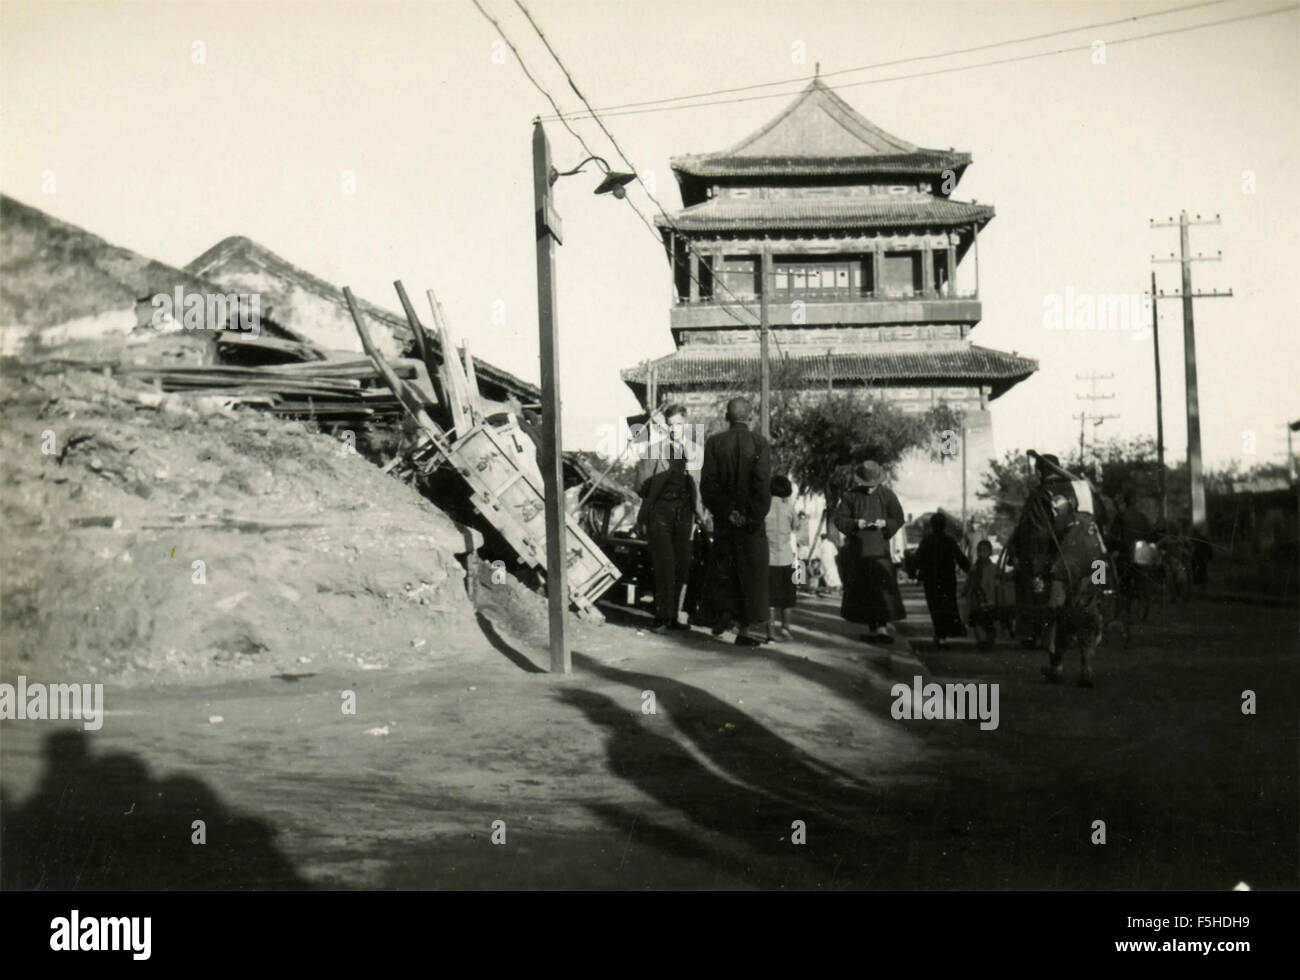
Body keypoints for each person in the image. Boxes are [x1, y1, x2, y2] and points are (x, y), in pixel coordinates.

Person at [699, 396, 772, 646]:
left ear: (726, 417)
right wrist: (750, 516)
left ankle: (720, 621)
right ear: (750, 416)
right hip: (751, 525)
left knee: (723, 570)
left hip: (724, 521)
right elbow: (762, 487)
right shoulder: (760, 444)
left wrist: (728, 512)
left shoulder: (715, 443)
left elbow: (708, 486)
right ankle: (744, 632)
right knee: (750, 574)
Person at [634, 404, 707, 633]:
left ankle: (674, 616)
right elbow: (640, 486)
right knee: (663, 564)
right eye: (671, 425)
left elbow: (700, 487)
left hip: (685, 515)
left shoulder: (696, 452)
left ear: (686, 425)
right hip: (660, 513)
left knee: (681, 565)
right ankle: (662, 616)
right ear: (666, 426)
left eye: (679, 424)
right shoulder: (654, 450)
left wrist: (700, 516)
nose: (675, 429)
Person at [832, 460, 906, 643]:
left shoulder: (887, 495)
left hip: (880, 550)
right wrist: (856, 523)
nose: (870, 489)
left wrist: (885, 523)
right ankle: (874, 628)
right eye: (867, 485)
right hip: (858, 552)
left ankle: (882, 628)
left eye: (873, 485)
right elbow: (839, 519)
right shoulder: (850, 497)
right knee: (865, 591)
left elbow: (898, 517)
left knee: (880, 589)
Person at [1042, 491, 1107, 688]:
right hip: (1067, 579)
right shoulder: (1058, 528)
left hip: (1081, 579)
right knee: (1060, 620)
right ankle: (1062, 667)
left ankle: (1080, 668)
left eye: (1057, 510)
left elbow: (1099, 557)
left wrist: (1095, 586)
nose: (1054, 513)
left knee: (1080, 620)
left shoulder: (1084, 526)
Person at [914, 512, 971, 647]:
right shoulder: (950, 541)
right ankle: (943, 635)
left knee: (935, 607)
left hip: (931, 580)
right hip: (947, 580)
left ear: (932, 525)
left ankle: (939, 634)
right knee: (947, 606)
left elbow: (918, 560)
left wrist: (919, 575)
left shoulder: (926, 541)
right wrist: (971, 571)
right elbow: (961, 559)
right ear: (944, 526)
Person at [765, 474, 800, 642]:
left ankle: (770, 634)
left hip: (769, 558)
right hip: (787, 557)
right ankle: (785, 628)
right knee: (788, 597)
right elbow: (796, 526)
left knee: (769, 598)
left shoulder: (764, 507)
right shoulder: (789, 508)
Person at [964, 539, 999, 650]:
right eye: (980, 551)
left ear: (990, 553)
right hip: (977, 599)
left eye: (985, 551)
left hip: (991, 598)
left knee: (990, 621)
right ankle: (981, 641)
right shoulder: (974, 568)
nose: (982, 554)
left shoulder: (994, 568)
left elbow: (1001, 580)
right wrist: (965, 592)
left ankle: (989, 641)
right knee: (978, 620)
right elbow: (969, 581)